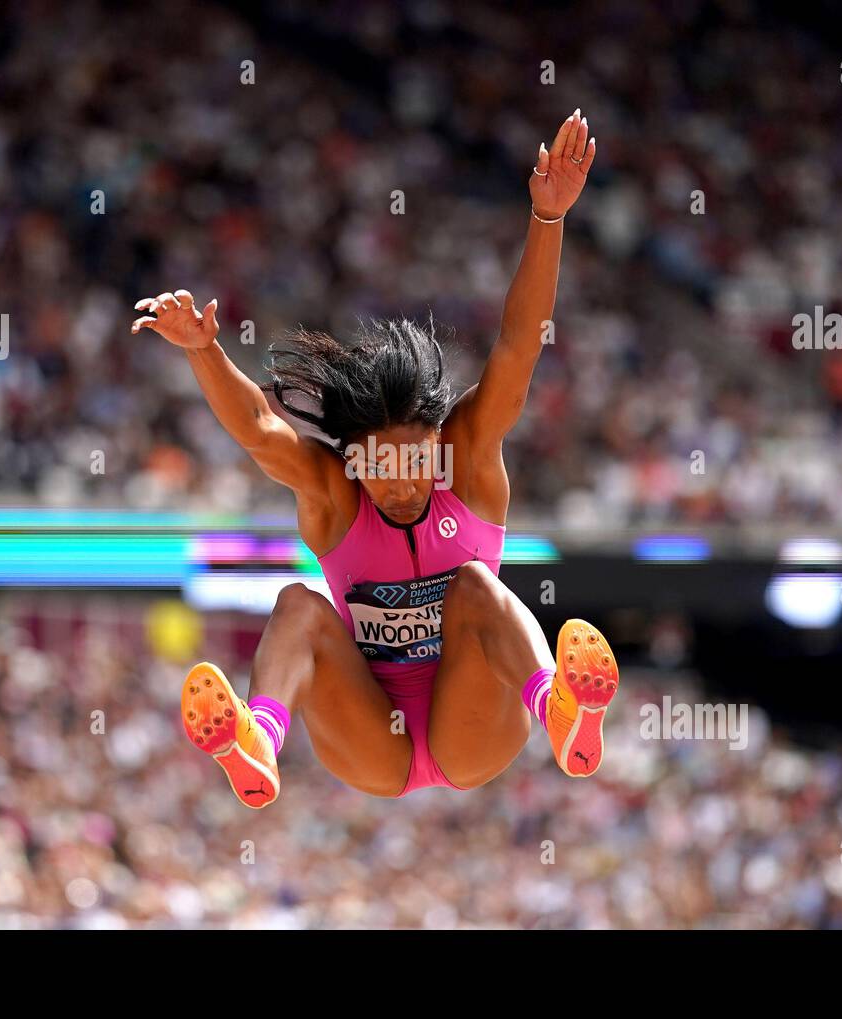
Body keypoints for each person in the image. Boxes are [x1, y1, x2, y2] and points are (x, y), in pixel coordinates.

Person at [132, 110, 616, 807]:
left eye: (415, 464)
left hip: (473, 728)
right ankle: (258, 741)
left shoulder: (470, 457)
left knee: (476, 585)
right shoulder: (336, 499)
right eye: (381, 470)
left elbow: (518, 347)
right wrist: (203, 350)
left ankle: (558, 708)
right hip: (370, 741)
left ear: (437, 445)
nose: (401, 484)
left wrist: (547, 219)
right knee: (297, 601)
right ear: (355, 466)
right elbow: (263, 429)